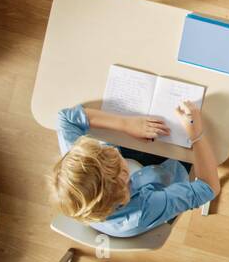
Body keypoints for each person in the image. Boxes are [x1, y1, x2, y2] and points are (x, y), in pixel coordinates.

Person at [48, 100, 218, 237]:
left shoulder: (77, 166)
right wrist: (196, 135)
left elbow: (66, 118)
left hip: (129, 180)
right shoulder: (145, 209)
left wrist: (125, 124)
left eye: (106, 149)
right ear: (124, 180)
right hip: (165, 178)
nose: (113, 149)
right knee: (212, 130)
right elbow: (209, 187)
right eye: (114, 156)